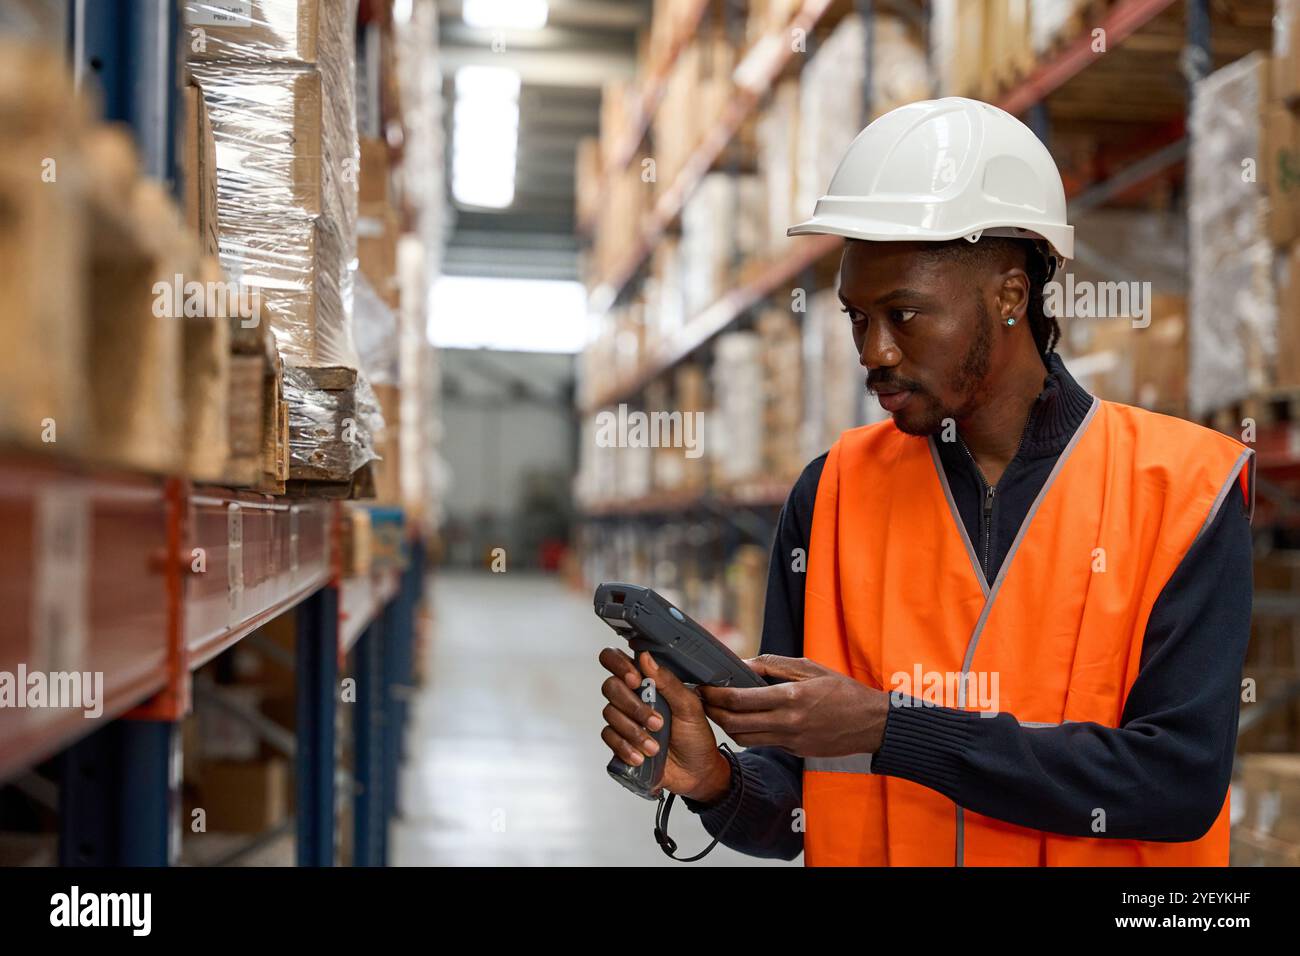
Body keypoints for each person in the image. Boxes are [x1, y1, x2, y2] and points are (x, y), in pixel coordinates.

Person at [597, 97, 1256, 866]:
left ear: (1011, 295)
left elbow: (1176, 783)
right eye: (855, 318)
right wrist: (714, 781)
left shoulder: (1186, 492)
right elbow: (800, 803)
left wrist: (887, 728)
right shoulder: (833, 496)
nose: (873, 351)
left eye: (904, 315)